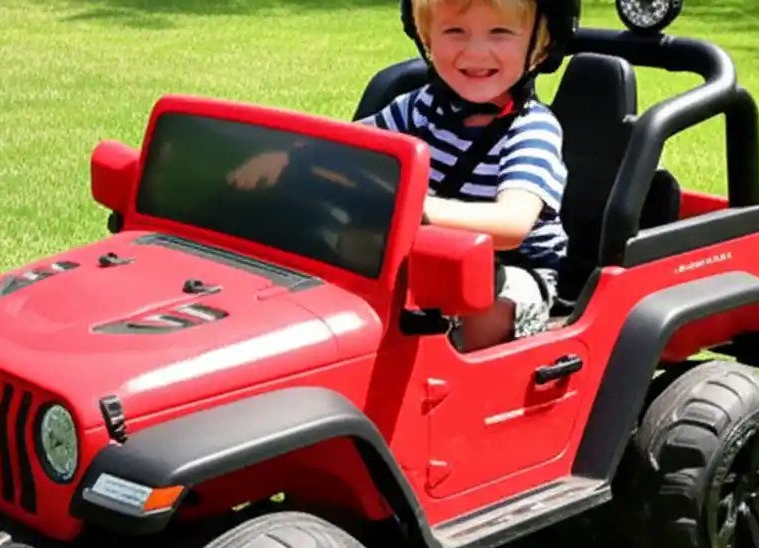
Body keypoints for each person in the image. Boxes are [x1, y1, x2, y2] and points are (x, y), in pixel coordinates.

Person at [231, 0, 577, 352]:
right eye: (455, 31)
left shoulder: (532, 130)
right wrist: (288, 156)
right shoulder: (420, 107)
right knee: (347, 246)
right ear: (426, 38)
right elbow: (349, 146)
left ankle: (464, 390)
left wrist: (414, 209)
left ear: (541, 46)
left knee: (488, 300)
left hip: (513, 267)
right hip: (424, 252)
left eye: (500, 33)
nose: (475, 51)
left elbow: (511, 224)